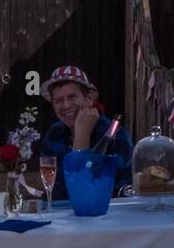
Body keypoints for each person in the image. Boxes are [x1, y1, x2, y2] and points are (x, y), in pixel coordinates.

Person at [39, 65, 133, 199]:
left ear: (89, 99)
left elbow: (85, 191)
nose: (66, 105)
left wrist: (82, 135)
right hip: (63, 216)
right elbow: (56, 193)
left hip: (108, 215)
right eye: (59, 100)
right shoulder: (54, 133)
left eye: (72, 97)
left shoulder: (114, 134)